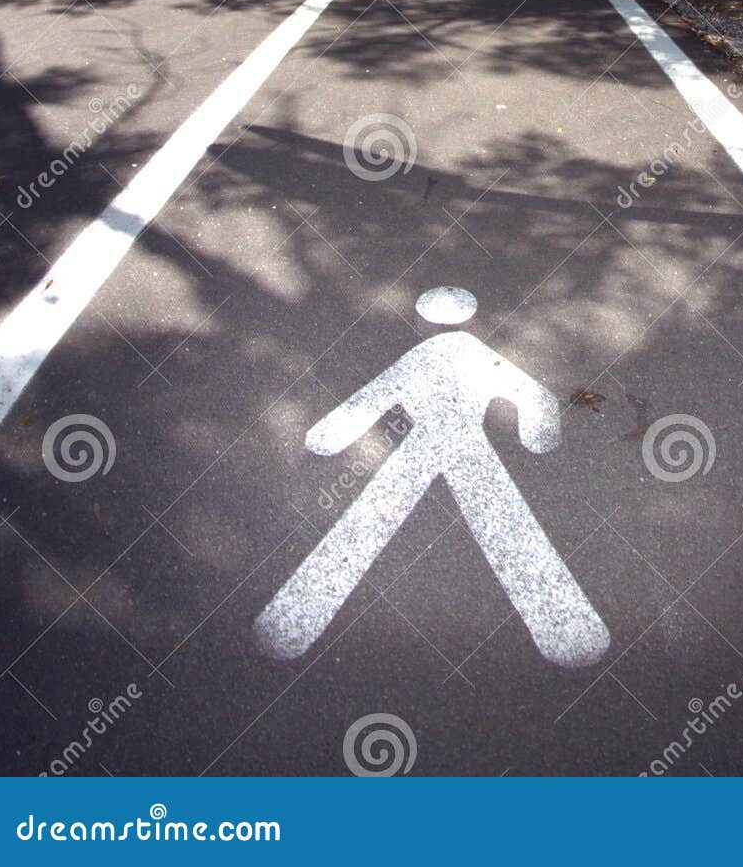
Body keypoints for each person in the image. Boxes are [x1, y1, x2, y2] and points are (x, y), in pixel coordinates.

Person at [255, 286, 610, 667]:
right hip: (471, 454)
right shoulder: (477, 354)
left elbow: (373, 397)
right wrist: (538, 438)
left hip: (417, 453)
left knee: (364, 526)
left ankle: (295, 620)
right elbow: (532, 396)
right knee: (508, 527)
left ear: (425, 322)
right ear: (468, 317)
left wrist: (328, 436)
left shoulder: (418, 356)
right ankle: (567, 629)